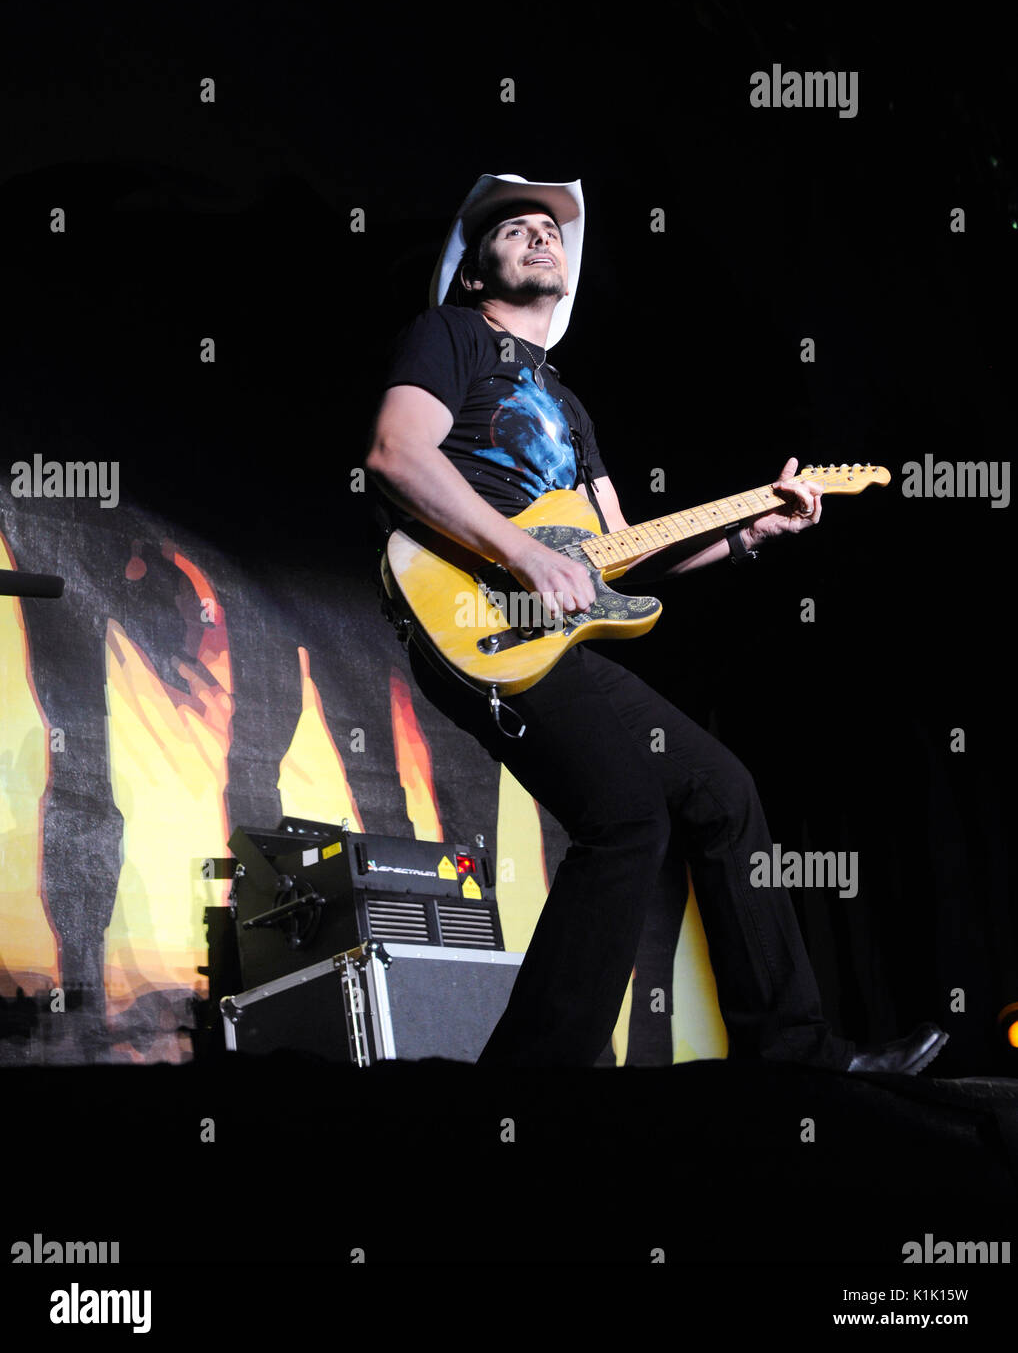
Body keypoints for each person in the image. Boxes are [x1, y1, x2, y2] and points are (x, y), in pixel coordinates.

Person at [365, 172, 948, 1073]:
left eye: (550, 228)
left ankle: (796, 1057)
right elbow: (395, 455)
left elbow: (622, 558)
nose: (539, 234)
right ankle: (528, 1085)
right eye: (513, 228)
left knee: (721, 791)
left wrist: (752, 536)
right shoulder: (449, 337)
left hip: (556, 629)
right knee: (628, 815)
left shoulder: (571, 407)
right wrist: (522, 556)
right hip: (474, 617)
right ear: (475, 273)